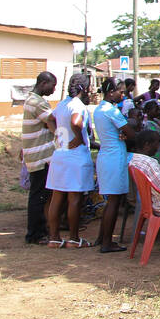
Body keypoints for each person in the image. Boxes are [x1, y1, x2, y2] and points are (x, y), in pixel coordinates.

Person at [45, 74, 97, 248]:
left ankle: (54, 237)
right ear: (85, 88)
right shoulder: (77, 105)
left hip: (60, 154)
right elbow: (76, 121)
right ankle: (74, 238)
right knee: (74, 198)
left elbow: (50, 120)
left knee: (56, 197)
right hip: (75, 156)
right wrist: (79, 138)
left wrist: (59, 134)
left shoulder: (62, 104)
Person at [92, 78, 135, 253]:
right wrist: (127, 134)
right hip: (115, 157)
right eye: (120, 91)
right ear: (111, 93)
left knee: (111, 200)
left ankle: (102, 237)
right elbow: (131, 133)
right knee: (114, 202)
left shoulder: (99, 109)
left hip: (105, 156)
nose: (123, 95)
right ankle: (107, 243)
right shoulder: (112, 111)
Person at [20, 71, 57, 245]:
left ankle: (39, 230)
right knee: (39, 197)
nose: (53, 89)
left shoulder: (32, 100)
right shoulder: (38, 103)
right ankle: (35, 233)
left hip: (35, 154)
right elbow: (52, 121)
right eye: (52, 85)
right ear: (43, 83)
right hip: (40, 156)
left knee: (39, 195)